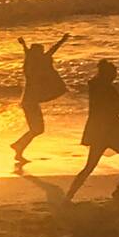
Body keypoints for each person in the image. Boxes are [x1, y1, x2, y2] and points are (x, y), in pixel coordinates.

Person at [65, 60, 119, 202]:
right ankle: (118, 191)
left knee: (89, 167)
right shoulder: (105, 88)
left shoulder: (97, 87)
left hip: (98, 131)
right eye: (113, 73)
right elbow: (117, 107)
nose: (115, 75)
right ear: (106, 74)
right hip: (111, 132)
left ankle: (69, 196)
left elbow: (116, 104)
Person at [11, 32, 70, 163]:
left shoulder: (29, 67)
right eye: (41, 52)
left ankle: (18, 150)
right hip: (30, 102)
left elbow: (30, 54)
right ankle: (17, 146)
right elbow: (51, 51)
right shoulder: (37, 67)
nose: (44, 54)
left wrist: (24, 45)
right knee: (37, 129)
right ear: (38, 54)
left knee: (36, 129)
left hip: (29, 101)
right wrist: (62, 40)